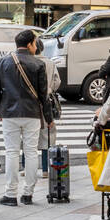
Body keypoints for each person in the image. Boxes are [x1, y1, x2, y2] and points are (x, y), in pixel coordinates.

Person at [0, 29, 52, 207]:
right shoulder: (38, 64)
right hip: (32, 113)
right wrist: (48, 117)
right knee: (31, 152)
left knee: (11, 152)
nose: (36, 46)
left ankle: (10, 194)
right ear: (29, 44)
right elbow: (43, 95)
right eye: (35, 42)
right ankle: (28, 194)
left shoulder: (3, 62)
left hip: (9, 112)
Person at [36, 36, 61, 178]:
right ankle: (45, 169)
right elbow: (57, 81)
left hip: (31, 104)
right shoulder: (50, 63)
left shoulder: (29, 61)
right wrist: (51, 88)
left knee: (29, 137)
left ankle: (25, 167)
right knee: (47, 136)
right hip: (47, 101)